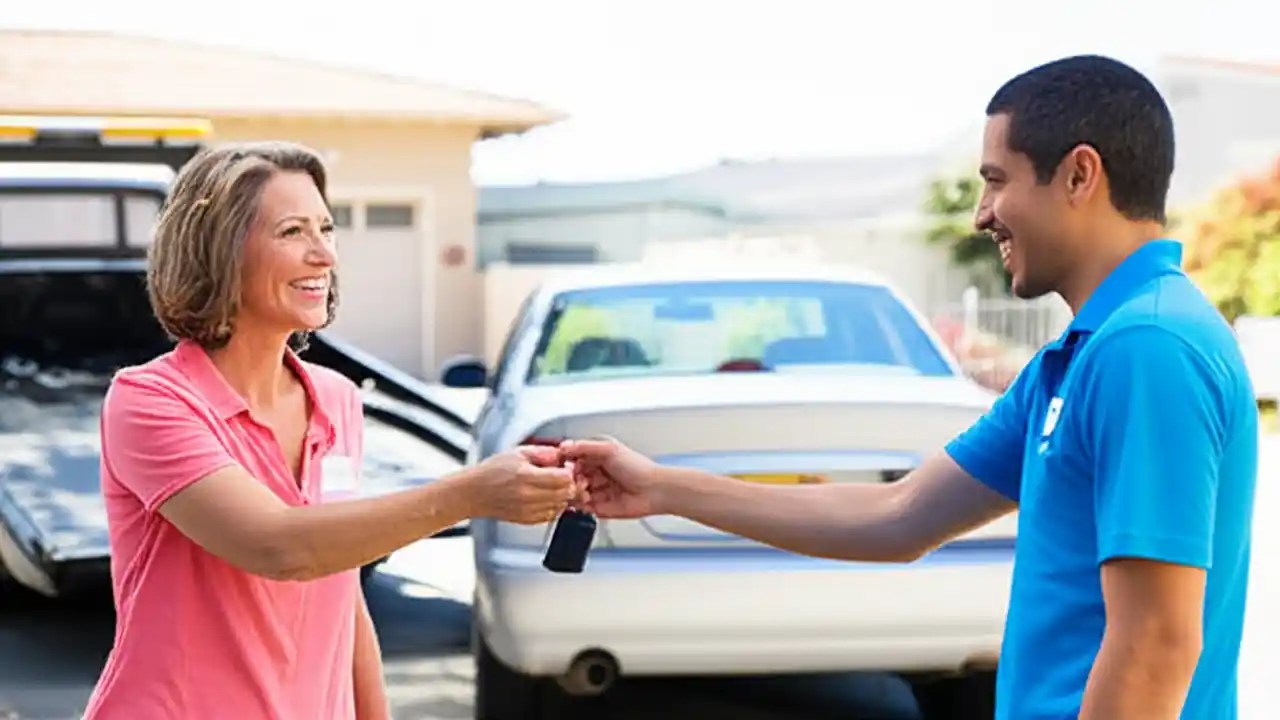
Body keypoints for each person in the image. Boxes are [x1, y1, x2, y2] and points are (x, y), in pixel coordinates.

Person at [561, 54, 1258, 720]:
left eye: (997, 179)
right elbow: (899, 515)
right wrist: (659, 487)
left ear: (1079, 175)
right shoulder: (1080, 357)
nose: (982, 213)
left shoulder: (1147, 349)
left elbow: (1155, 644)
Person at [82, 141, 576, 720]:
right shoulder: (152, 402)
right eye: (292, 232)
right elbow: (280, 546)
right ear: (219, 251)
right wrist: (470, 494)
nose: (323, 255)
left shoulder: (336, 400)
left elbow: (338, 576)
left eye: (326, 228)